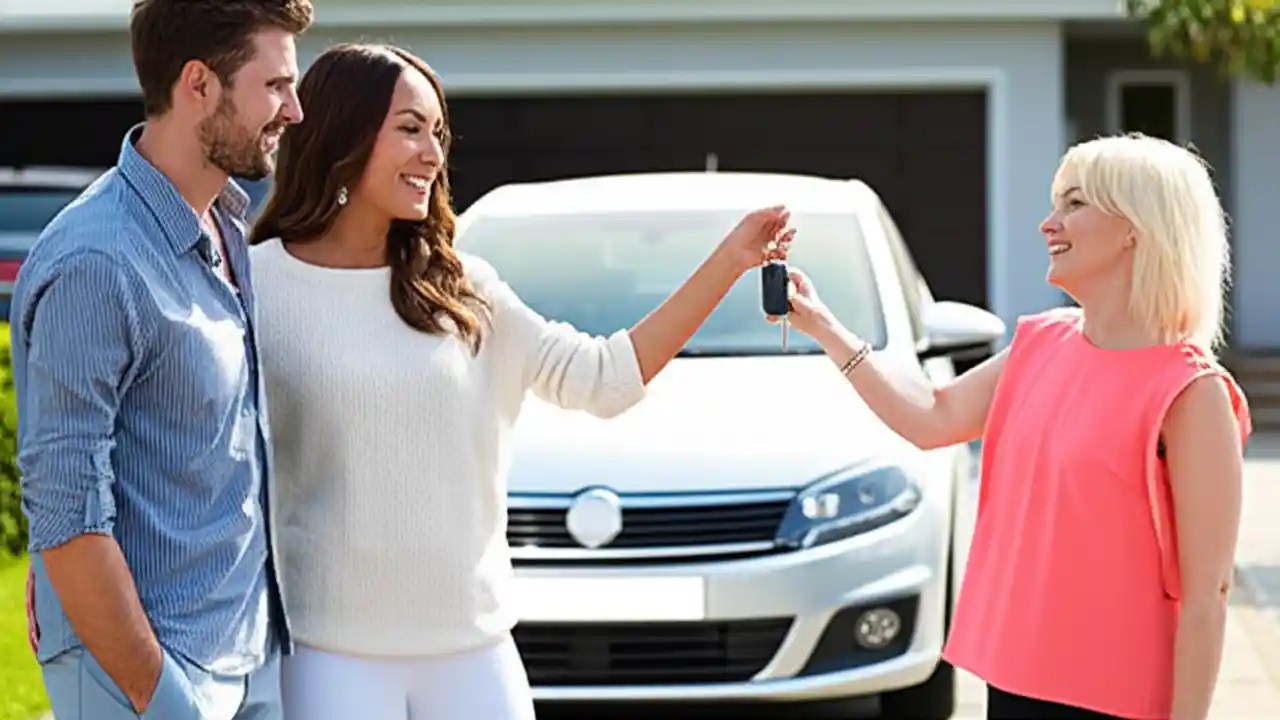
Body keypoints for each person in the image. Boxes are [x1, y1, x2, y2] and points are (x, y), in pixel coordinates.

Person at [244, 42, 793, 720]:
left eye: (437, 134)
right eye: (410, 129)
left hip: (473, 654)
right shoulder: (257, 285)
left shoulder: (464, 290)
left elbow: (605, 378)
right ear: (342, 134)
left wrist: (731, 261)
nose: (432, 154)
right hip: (327, 656)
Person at [780, 133, 1250, 720]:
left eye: (1075, 204)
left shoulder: (1192, 392)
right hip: (1018, 682)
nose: (1048, 224)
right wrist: (826, 328)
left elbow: (1209, 597)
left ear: (1137, 226)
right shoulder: (1040, 344)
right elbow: (933, 417)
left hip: (1121, 700)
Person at [10, 1, 312, 718]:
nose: (294, 110)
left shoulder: (228, 230)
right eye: (274, 86)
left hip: (245, 657)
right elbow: (66, 518)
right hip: (149, 674)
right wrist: (161, 700)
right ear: (199, 85)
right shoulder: (97, 261)